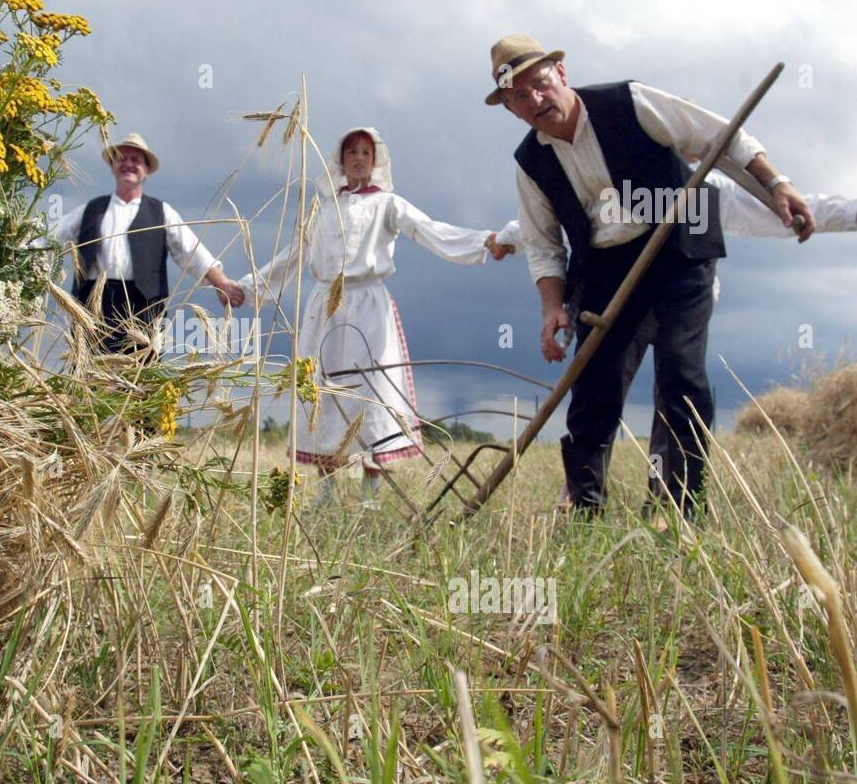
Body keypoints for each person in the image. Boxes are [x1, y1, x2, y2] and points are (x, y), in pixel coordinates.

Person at [488, 33, 815, 516]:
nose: (535, 99)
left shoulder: (629, 102)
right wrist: (553, 307)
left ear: (561, 74)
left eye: (539, 83)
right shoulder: (530, 163)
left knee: (681, 377)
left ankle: (675, 510)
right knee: (593, 390)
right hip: (605, 268)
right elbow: (542, 244)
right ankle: (584, 510)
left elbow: (719, 137)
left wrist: (777, 185)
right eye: (518, 95)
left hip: (678, 248)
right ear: (510, 109)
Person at [493, 168, 856, 508]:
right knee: (599, 392)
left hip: (682, 305)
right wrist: (509, 237)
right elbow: (566, 209)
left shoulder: (712, 186)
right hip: (621, 300)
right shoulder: (623, 172)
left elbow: (790, 209)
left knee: (677, 395)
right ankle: (580, 495)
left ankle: (669, 501)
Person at [239, 127, 502, 503]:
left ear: (374, 160)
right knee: (323, 390)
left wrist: (482, 241)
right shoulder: (322, 209)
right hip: (324, 309)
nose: (359, 157)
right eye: (352, 152)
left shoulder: (388, 204)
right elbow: (291, 257)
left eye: (366, 152)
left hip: (368, 308)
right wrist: (248, 288)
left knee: (373, 392)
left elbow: (430, 231)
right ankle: (326, 490)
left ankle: (370, 494)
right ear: (341, 160)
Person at [47, 132, 244, 355]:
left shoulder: (162, 213)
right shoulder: (89, 210)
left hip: (143, 308)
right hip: (91, 307)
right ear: (113, 166)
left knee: (139, 380)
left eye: (136, 160)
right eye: (122, 158)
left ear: (146, 170)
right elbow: (49, 240)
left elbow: (191, 252)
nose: (128, 164)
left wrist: (222, 283)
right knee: (89, 378)